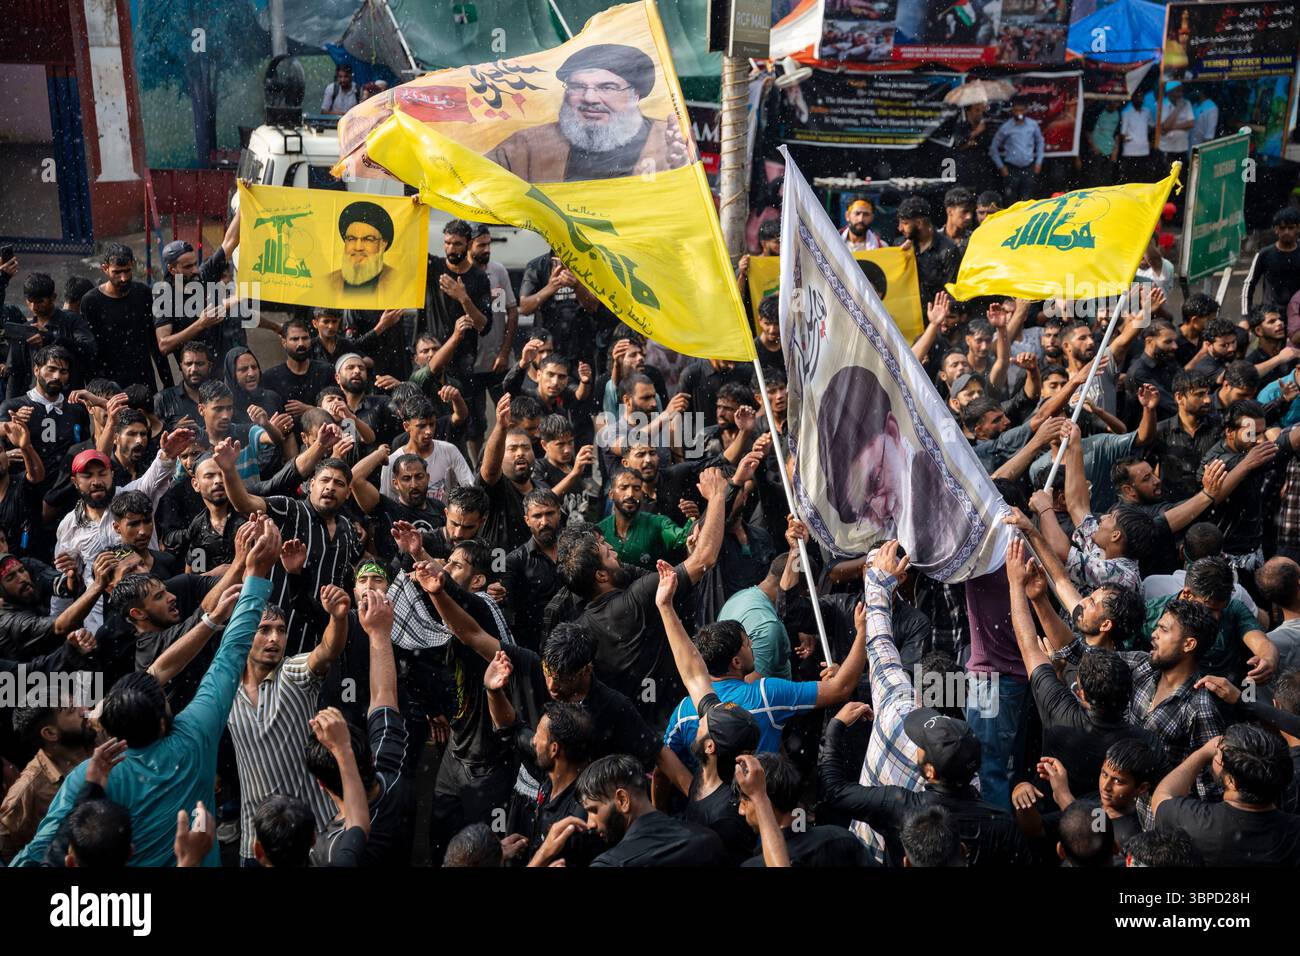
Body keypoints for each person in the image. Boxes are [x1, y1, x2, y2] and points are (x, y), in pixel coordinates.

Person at [11, 517, 282, 866]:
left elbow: (38, 849)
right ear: (162, 720)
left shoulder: (91, 775)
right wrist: (256, 576)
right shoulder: (194, 734)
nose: (80, 709)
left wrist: (89, 789)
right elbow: (230, 657)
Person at [306, 588, 413, 866]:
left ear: (321, 784)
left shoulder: (333, 851)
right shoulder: (392, 774)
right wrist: (379, 633)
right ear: (371, 755)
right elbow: (384, 696)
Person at [486, 43, 692, 183]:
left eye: (607, 87)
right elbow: (477, 178)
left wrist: (683, 171)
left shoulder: (671, 144)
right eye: (577, 86)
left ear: (635, 95)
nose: (590, 98)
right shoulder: (529, 146)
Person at [531, 753, 725, 867]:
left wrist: (542, 855)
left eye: (593, 810)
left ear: (623, 799)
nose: (589, 823)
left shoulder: (612, 863)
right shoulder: (708, 841)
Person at [1151, 723, 1300, 865]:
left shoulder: (1200, 824)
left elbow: (1161, 797)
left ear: (1231, 781)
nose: (1216, 756)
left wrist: (1203, 753)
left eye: (1219, 756)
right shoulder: (1294, 832)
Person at [78, 244, 168, 395]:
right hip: (110, 383)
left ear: (132, 265)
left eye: (127, 271)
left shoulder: (143, 293)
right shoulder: (91, 301)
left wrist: (167, 382)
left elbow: (154, 340)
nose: (123, 278)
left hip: (143, 378)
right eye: (117, 273)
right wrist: (94, 390)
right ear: (105, 269)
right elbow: (90, 350)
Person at [325, 202, 407, 303]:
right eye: (351, 239)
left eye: (368, 239)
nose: (358, 247)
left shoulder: (400, 283)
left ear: (383, 244)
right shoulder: (327, 283)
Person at [261, 318, 337, 419]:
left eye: (305, 338)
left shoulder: (326, 371)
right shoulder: (270, 377)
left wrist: (309, 410)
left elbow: (337, 411)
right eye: (295, 339)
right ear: (284, 342)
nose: (301, 344)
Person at [895, 196, 960, 310]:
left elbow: (952, 290)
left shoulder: (947, 249)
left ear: (919, 223)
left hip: (936, 315)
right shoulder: (901, 245)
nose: (900, 228)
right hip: (907, 312)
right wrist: (899, 256)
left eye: (905, 223)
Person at [1241, 207, 1300, 318]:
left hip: (1297, 316)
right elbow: (1249, 284)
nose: (1286, 232)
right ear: (1276, 229)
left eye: (1290, 228)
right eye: (1282, 228)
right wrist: (1246, 316)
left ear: (1298, 228)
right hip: (1271, 315)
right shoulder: (1264, 254)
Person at [990, 97, 1044, 204]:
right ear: (1012, 111)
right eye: (1016, 110)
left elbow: (1040, 142)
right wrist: (1001, 167)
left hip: (1028, 167)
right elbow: (993, 148)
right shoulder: (1006, 127)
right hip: (1011, 169)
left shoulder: (1032, 125)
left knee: (1028, 200)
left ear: (1026, 110)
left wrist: (1039, 162)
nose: (1019, 113)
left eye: (1021, 110)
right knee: (1011, 200)